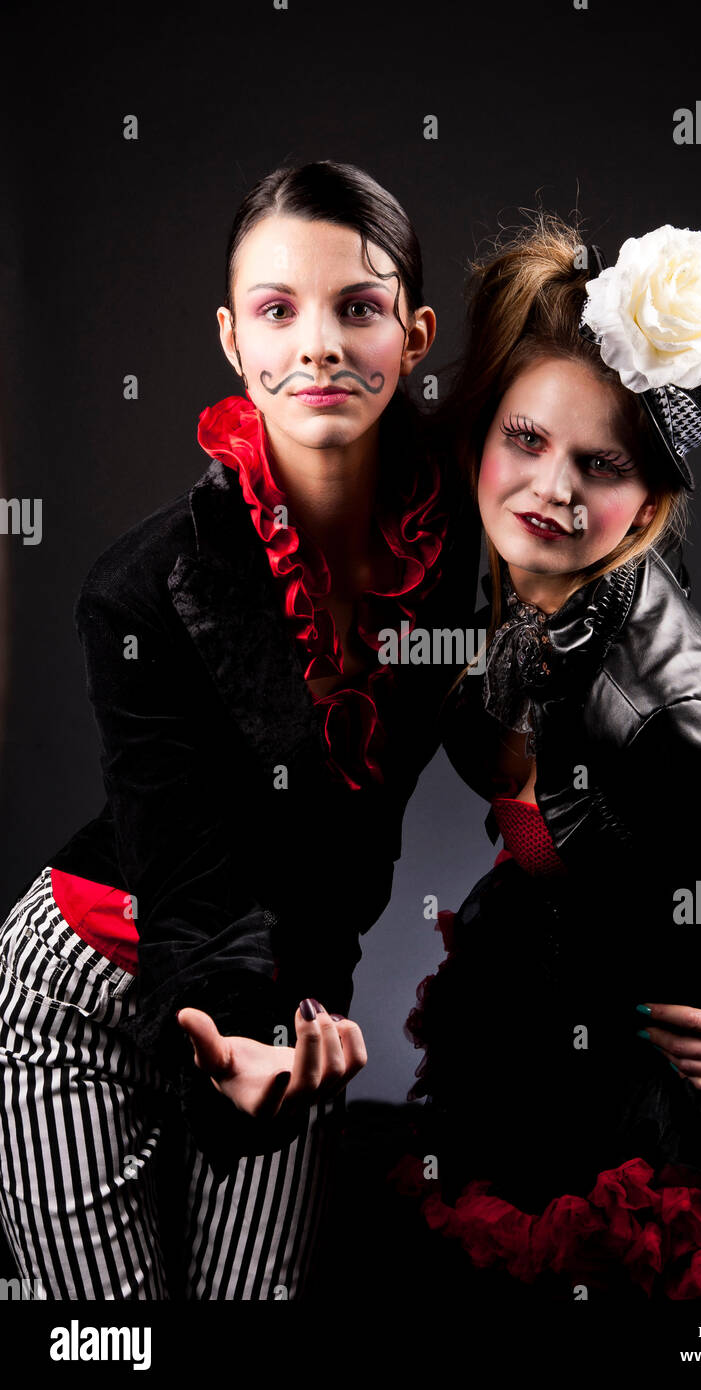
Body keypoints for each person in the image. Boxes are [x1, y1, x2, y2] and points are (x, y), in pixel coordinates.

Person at [0, 160, 479, 1300]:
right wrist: (233, 1026)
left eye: (357, 308)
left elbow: (603, 461)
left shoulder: (468, 537)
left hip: (296, 996)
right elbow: (187, 878)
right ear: (231, 340)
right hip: (88, 985)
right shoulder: (139, 588)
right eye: (276, 310)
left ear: (413, 336)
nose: (317, 345)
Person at [394, 213, 701, 1301]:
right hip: (555, 1044)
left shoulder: (669, 699)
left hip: (676, 1129)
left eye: (598, 464)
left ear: (646, 500)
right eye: (526, 440)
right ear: (483, 439)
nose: (551, 488)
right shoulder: (506, 595)